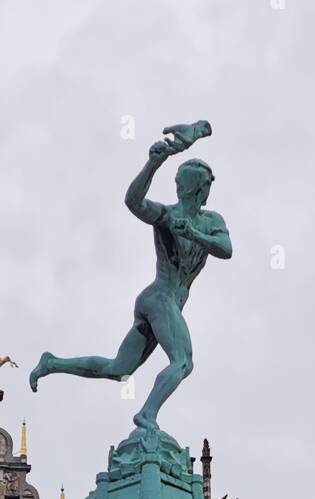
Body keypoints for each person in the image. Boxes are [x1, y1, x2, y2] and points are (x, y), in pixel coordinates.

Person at [29, 122, 231, 433]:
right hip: (160, 299)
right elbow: (133, 202)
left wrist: (193, 234)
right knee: (183, 362)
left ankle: (52, 363)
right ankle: (147, 414)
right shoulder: (167, 216)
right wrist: (154, 162)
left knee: (118, 369)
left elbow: (225, 249)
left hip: (160, 302)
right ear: (200, 188)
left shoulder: (210, 221)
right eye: (208, 186)